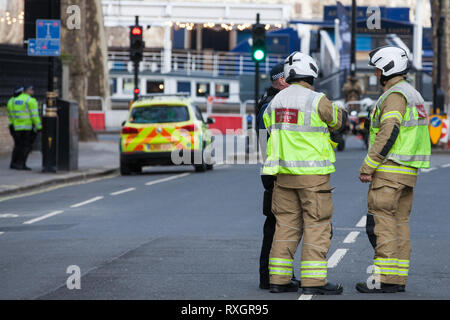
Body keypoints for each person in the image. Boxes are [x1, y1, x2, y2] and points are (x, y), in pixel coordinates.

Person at [262, 52, 346, 294]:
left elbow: (268, 126)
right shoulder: (317, 100)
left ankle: (278, 280)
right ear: (312, 74)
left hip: (283, 176)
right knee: (317, 225)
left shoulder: (275, 102)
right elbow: (338, 122)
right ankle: (314, 281)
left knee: (286, 226)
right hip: (313, 177)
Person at [355, 46, 431, 293]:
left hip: (390, 170)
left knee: (383, 224)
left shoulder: (395, 96)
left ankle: (383, 280)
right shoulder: (414, 94)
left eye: (378, 70)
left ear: (387, 69)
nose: (376, 74)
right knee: (400, 224)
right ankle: (396, 279)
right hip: (408, 172)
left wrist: (369, 164)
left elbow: (389, 132)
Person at [256, 62, 295, 290]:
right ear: (281, 80)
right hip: (274, 172)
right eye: (292, 77)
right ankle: (269, 276)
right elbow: (265, 144)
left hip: (273, 169)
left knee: (282, 225)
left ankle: (279, 274)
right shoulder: (270, 106)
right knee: (276, 225)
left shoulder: (271, 103)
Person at [7, 85, 42, 170]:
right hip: (26, 128)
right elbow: (34, 116)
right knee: (26, 146)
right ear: (27, 91)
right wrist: (39, 127)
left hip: (15, 127)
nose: (33, 91)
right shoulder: (30, 100)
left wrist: (12, 125)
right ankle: (21, 164)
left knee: (17, 145)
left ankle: (14, 163)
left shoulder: (12, 100)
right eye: (32, 89)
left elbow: (10, 115)